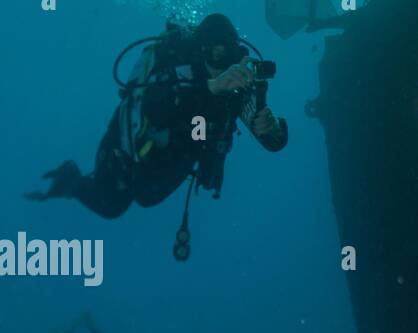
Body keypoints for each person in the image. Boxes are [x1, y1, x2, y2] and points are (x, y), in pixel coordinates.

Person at [27, 13, 287, 219]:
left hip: (178, 153)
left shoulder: (238, 84)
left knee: (146, 197)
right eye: (214, 53)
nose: (220, 64)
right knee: (112, 205)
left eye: (226, 54)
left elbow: (273, 143)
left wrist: (272, 128)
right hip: (129, 143)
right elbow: (153, 106)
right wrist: (212, 86)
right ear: (202, 50)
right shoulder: (179, 68)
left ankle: (74, 183)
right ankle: (70, 180)